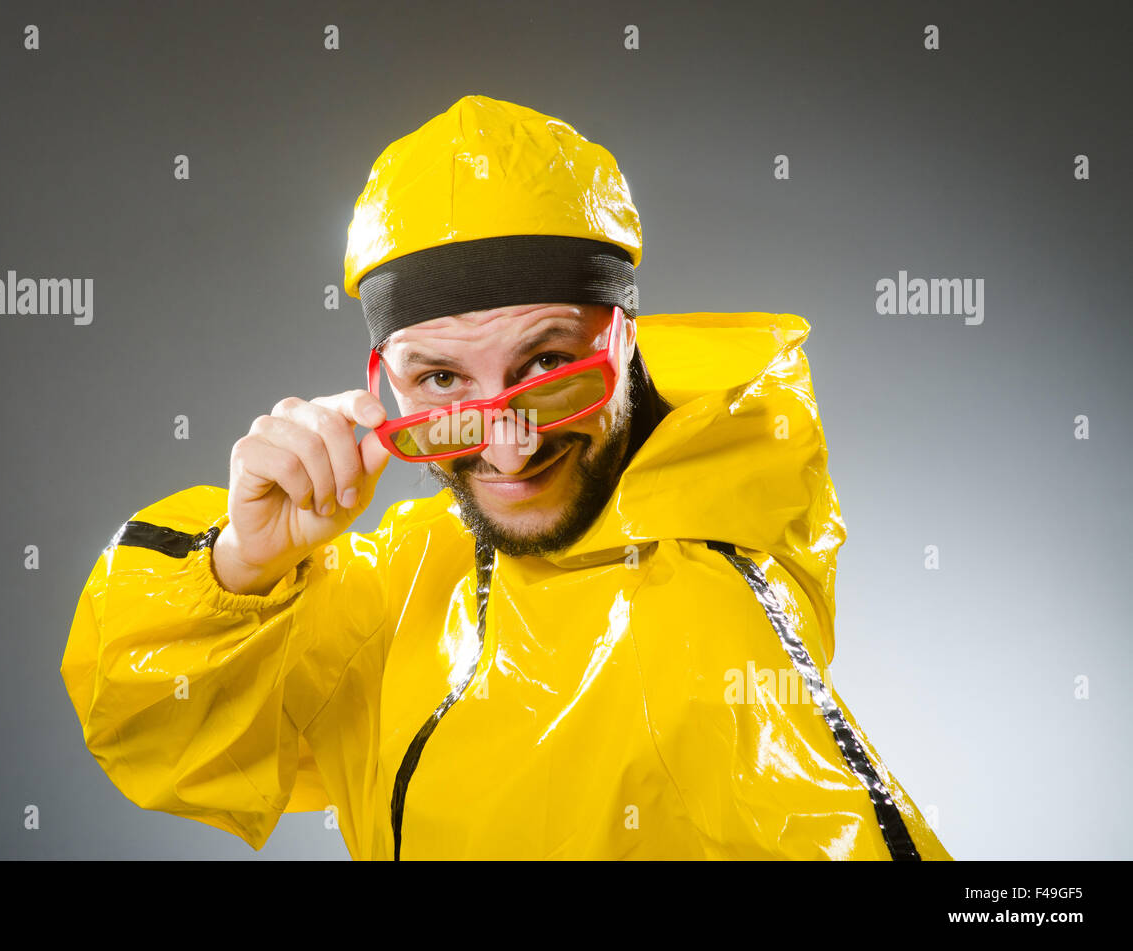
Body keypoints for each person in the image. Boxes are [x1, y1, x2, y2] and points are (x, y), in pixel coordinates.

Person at [61, 94, 951, 860]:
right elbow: (163, 742)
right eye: (442, 380)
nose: (511, 447)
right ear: (383, 382)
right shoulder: (418, 568)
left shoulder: (700, 621)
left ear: (624, 338)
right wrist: (240, 571)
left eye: (548, 365)